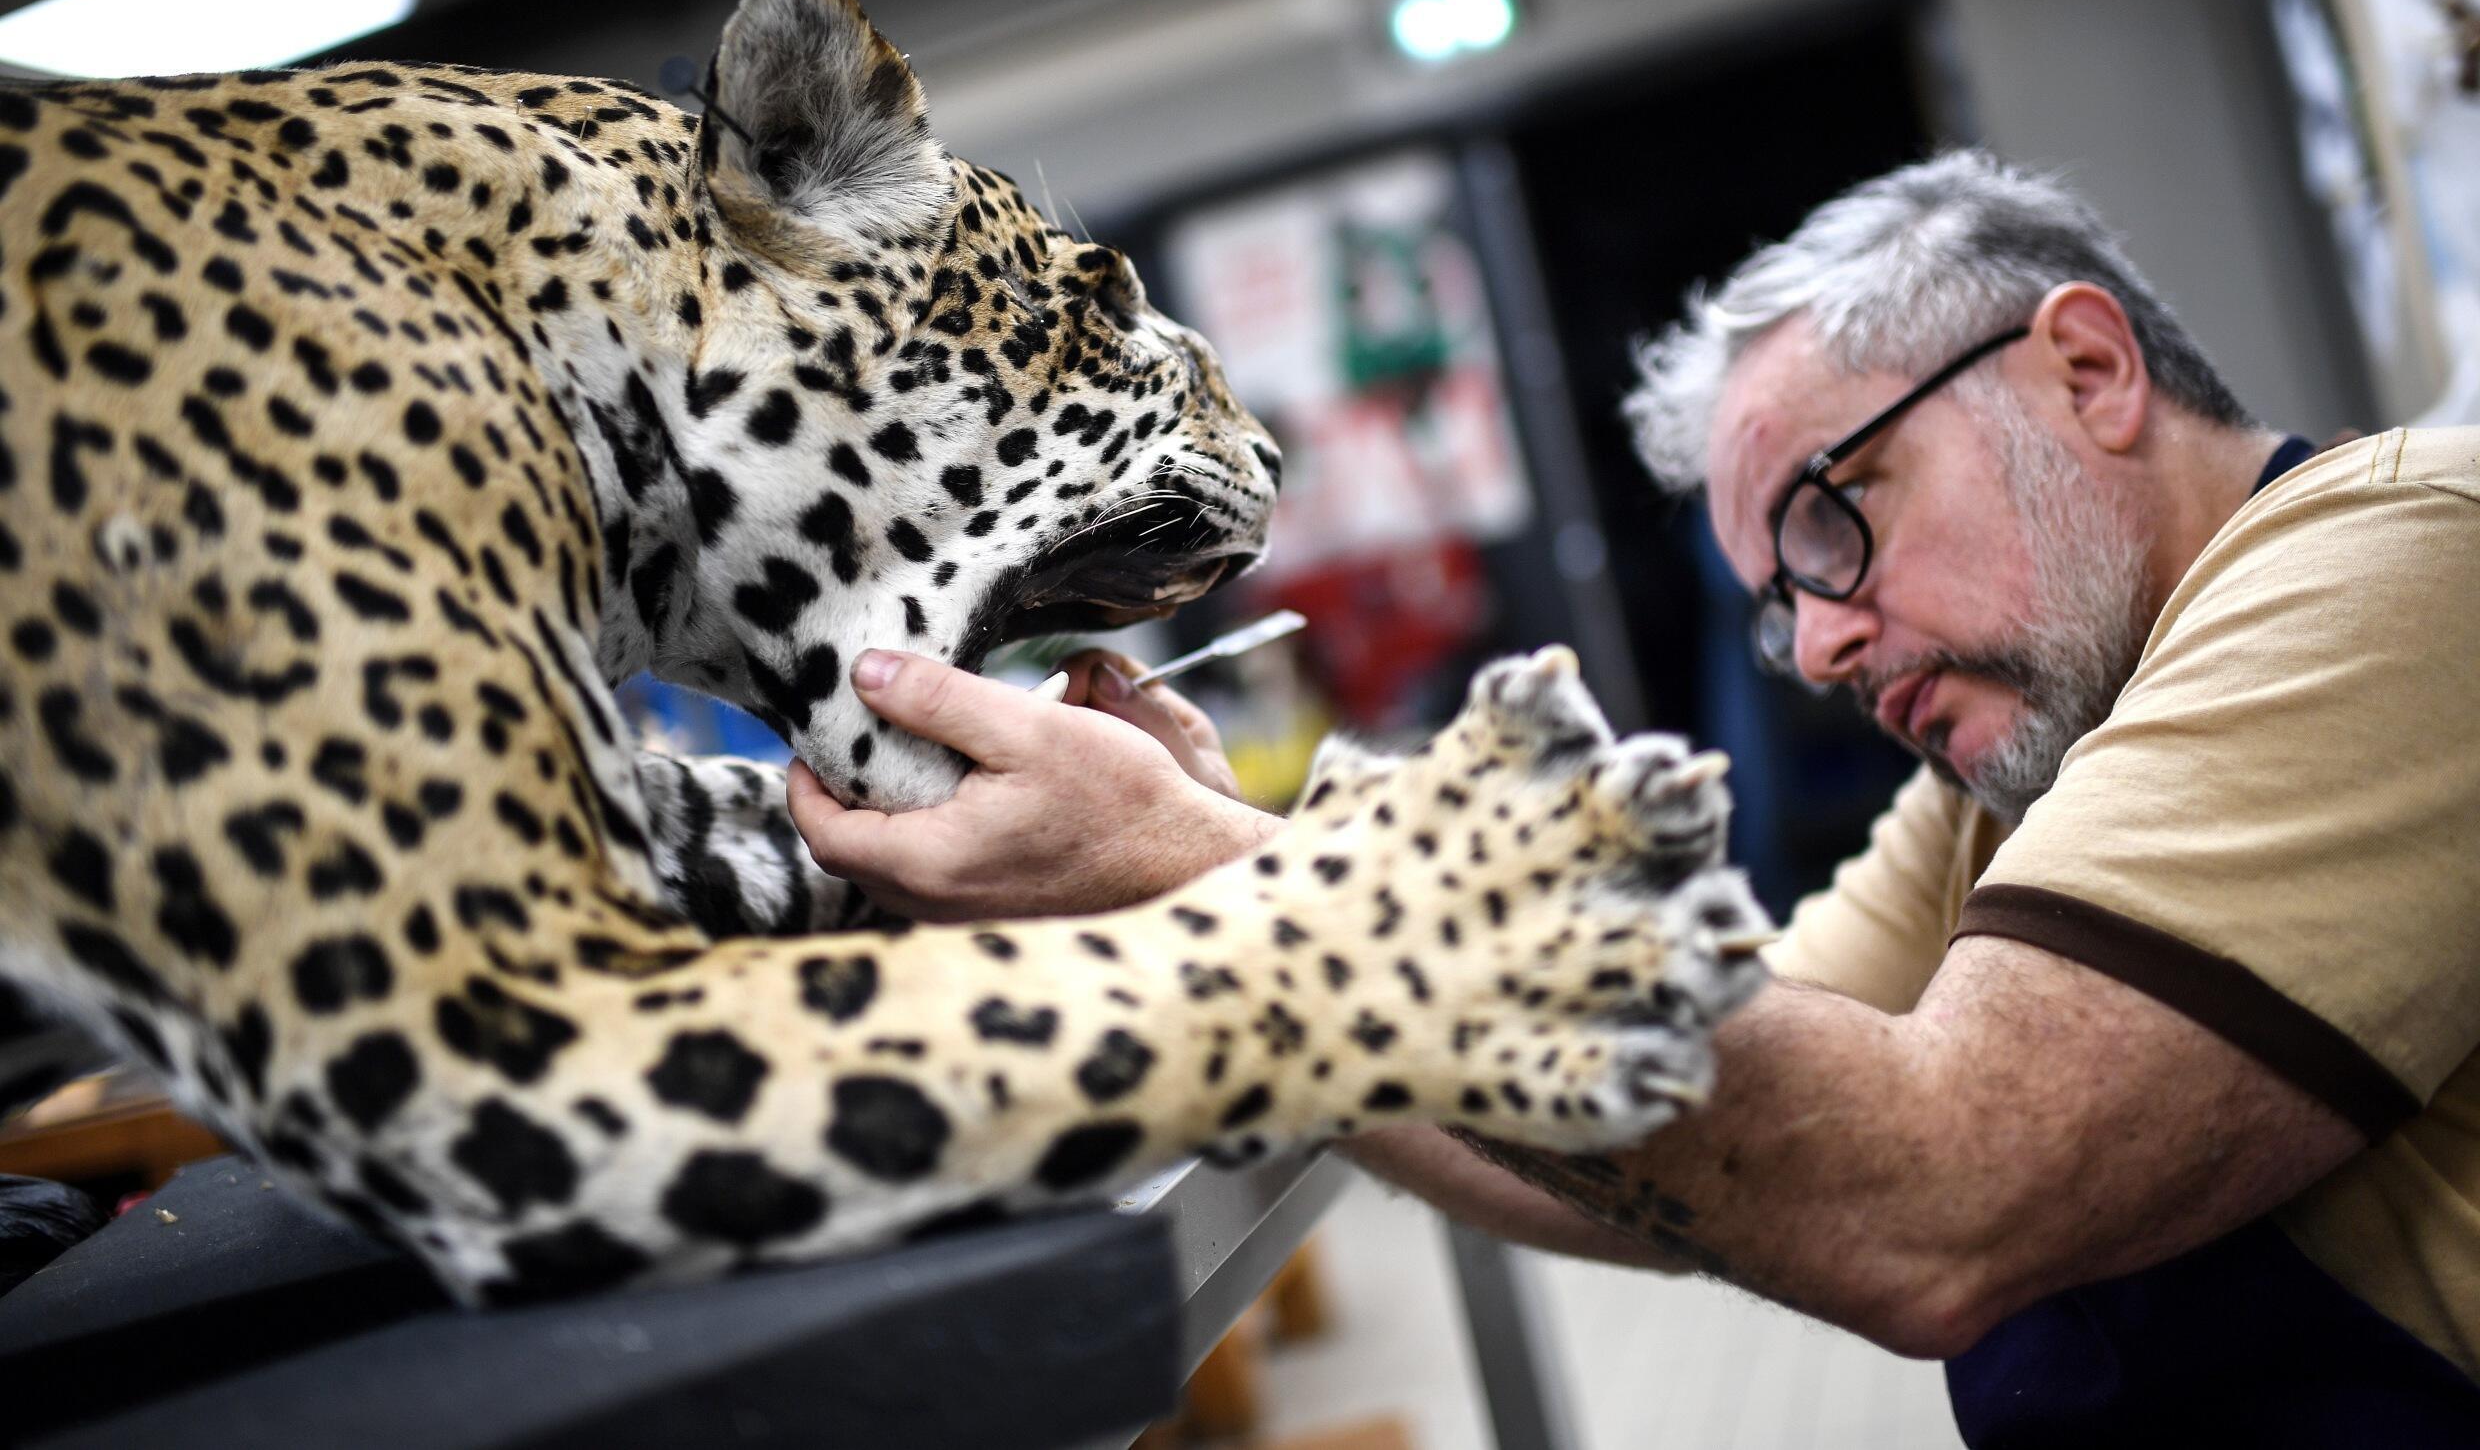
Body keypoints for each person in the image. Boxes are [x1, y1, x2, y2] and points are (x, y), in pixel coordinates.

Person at [788, 153, 2480, 1444]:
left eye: (1835, 515)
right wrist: (1210, 900)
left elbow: (1935, 1181)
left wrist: (1219, 872)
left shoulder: (2405, 568)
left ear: (2090, 372)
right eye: (1775, 587)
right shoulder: (2024, 763)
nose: (1816, 642)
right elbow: (1706, 1124)